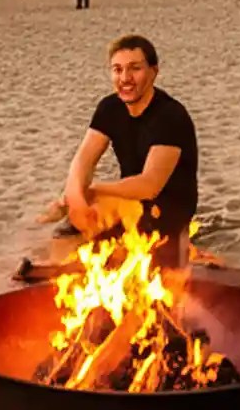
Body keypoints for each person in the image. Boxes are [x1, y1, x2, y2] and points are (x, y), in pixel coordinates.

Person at [59, 34, 198, 270]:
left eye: (135, 68)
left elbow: (149, 186)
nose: (125, 78)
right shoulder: (109, 108)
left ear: (153, 71)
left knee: (100, 217)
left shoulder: (170, 116)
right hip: (128, 198)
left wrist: (91, 189)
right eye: (117, 69)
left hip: (166, 206)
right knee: (67, 227)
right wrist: (75, 194)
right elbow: (84, 159)